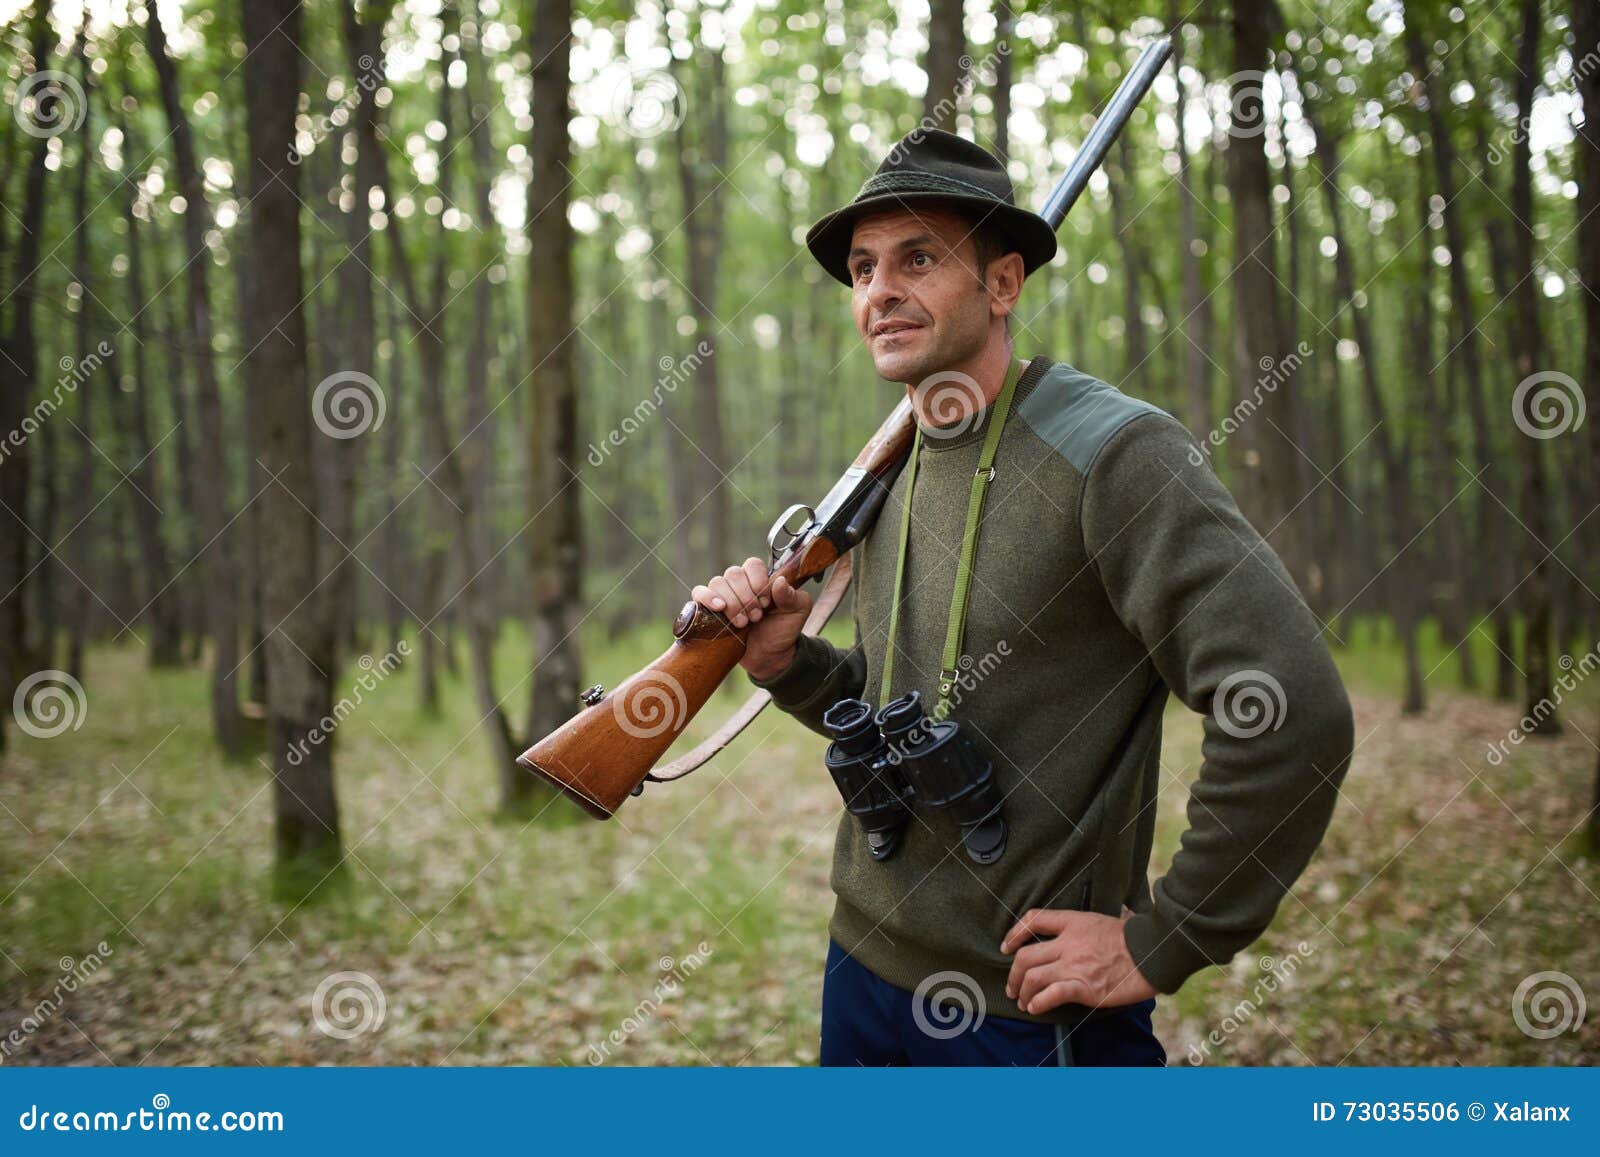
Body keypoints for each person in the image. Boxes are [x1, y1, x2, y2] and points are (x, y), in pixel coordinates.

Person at [689, 130, 1354, 1067]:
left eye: (918, 258)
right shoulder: (900, 461)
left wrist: (1167, 934)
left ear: (1003, 284)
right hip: (863, 967)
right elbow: (899, 709)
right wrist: (789, 666)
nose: (880, 291)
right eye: (863, 267)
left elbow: (1295, 708)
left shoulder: (1114, 454)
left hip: (1029, 1015)